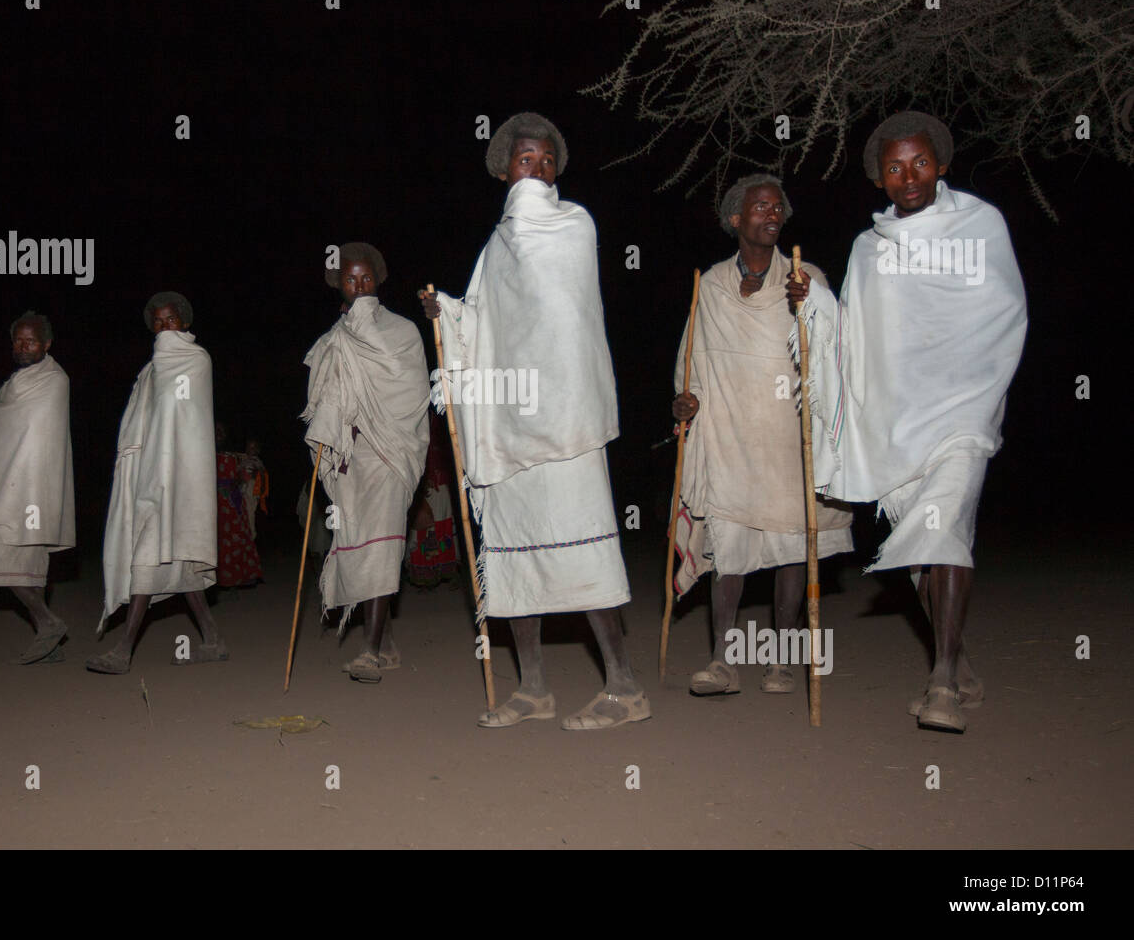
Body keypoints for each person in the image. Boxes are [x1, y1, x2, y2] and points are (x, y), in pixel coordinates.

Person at [785, 111, 1027, 732]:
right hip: (898, 421)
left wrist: (979, 384)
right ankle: (959, 661)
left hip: (963, 411)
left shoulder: (979, 225)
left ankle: (941, 681)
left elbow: (1006, 311)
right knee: (923, 553)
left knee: (945, 530)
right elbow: (854, 334)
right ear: (879, 178)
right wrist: (814, 303)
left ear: (941, 164)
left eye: (920, 162)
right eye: (895, 168)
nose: (909, 176)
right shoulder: (870, 249)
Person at [419, 111, 647, 730]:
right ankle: (533, 689)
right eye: (527, 161)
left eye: (548, 162)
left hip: (567, 425)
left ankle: (625, 687)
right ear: (504, 170)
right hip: (509, 427)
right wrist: (450, 316)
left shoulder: (574, 225)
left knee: (586, 554)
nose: (539, 171)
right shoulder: (495, 250)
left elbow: (565, 319)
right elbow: (488, 326)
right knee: (516, 559)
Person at [672, 175, 854, 695]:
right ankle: (722, 660)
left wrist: (811, 303)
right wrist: (686, 400)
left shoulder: (805, 277)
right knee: (729, 547)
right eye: (760, 207)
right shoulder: (711, 286)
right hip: (730, 434)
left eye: (778, 207)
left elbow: (839, 348)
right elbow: (693, 358)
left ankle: (780, 661)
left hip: (786, 438)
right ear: (735, 218)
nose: (772, 214)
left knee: (790, 545)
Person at [303, 242, 430, 682]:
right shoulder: (332, 340)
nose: (359, 286)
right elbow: (323, 400)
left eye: (366, 278)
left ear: (377, 281)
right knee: (362, 546)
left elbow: (413, 395)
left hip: (391, 455)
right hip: (351, 459)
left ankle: (371, 651)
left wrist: (376, 426)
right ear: (339, 285)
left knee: (382, 546)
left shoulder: (403, 332)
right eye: (350, 279)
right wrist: (333, 437)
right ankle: (387, 643)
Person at [88, 292, 228, 674]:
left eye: (172, 320)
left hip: (181, 480)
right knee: (183, 567)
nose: (165, 327)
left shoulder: (196, 360)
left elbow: (184, 421)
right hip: (151, 476)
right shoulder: (149, 372)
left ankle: (123, 651)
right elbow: (147, 425)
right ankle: (213, 640)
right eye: (159, 322)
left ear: (184, 322)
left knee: (148, 557)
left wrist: (168, 469)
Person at [0, 311, 75, 663]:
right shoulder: (16, 383)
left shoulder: (54, 381)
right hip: (9, 485)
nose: (23, 346)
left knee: (5, 559)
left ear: (46, 344)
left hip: (34, 492)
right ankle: (50, 644)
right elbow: (6, 431)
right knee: (25, 569)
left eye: (31, 340)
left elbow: (39, 438)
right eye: (18, 340)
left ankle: (49, 623)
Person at [404, 410, 461, 590]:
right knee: (425, 527)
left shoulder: (445, 414)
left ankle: (446, 570)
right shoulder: (417, 414)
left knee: (444, 525)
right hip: (424, 480)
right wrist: (422, 477)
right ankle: (424, 573)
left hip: (444, 479)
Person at [215, 423, 264, 588]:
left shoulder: (237, 458)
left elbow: (255, 478)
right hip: (218, 501)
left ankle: (241, 576)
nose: (219, 434)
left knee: (241, 535)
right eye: (216, 431)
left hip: (235, 500)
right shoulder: (206, 454)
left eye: (222, 431)